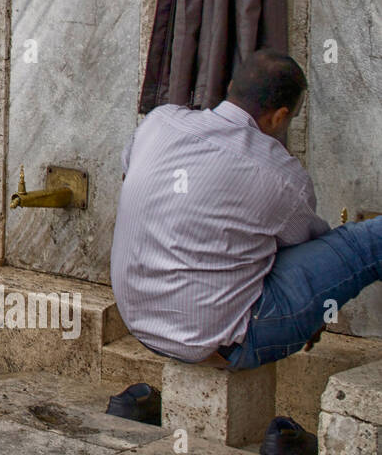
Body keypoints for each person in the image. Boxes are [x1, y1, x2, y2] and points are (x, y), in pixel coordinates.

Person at [111, 49, 382, 371]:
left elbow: (131, 176)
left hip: (140, 325)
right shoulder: (280, 175)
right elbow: (310, 247)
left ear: (230, 88)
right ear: (280, 116)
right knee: (368, 243)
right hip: (224, 340)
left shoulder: (159, 121)